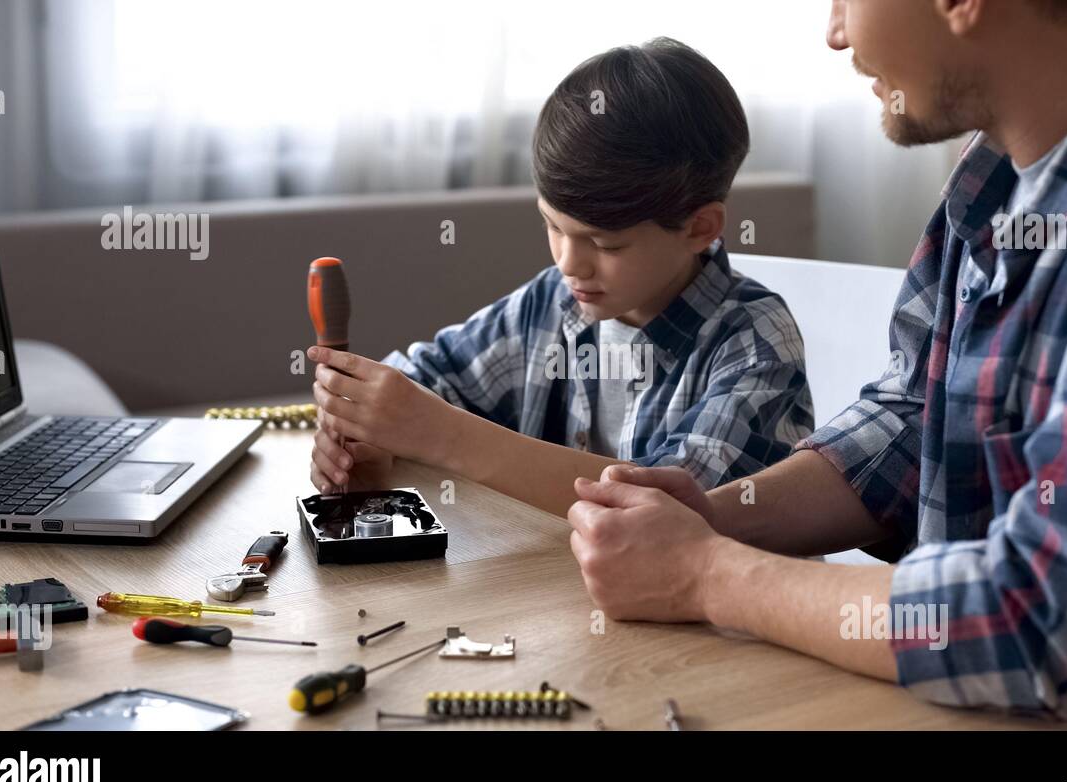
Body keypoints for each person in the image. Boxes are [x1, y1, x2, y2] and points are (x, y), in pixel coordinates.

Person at [568, 0, 1067, 729]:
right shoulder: (996, 169)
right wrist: (713, 520)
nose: (834, 33)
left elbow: (1043, 625)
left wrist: (707, 574)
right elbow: (914, 418)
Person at [309, 38, 813, 518]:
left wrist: (445, 437)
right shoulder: (553, 303)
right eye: (552, 226)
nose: (570, 263)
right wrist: (371, 438)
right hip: (556, 599)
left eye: (605, 243)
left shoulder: (755, 341)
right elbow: (427, 381)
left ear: (699, 229)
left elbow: (676, 511)